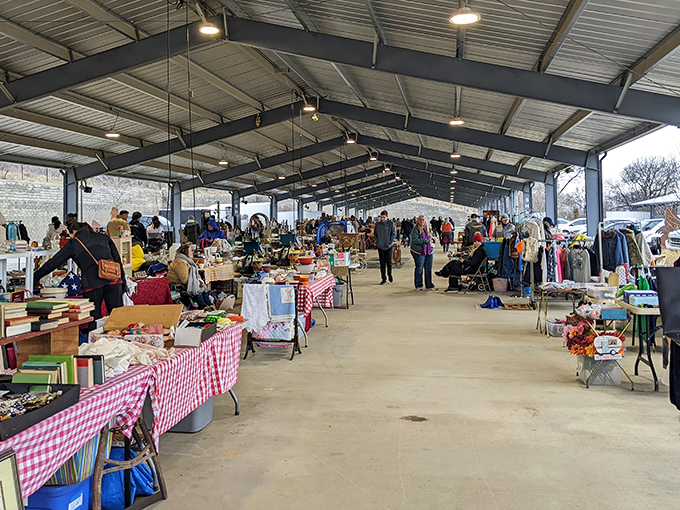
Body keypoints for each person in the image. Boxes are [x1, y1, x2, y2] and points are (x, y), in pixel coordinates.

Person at [33, 222, 126, 320]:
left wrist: (35, 277)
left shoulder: (74, 243)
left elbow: (53, 263)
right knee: (117, 317)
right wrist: (123, 283)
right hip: (114, 280)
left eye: (70, 234)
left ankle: (93, 335)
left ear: (74, 232)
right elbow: (117, 260)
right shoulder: (103, 237)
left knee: (93, 318)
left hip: (92, 284)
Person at [167, 243, 213, 309]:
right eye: (191, 250)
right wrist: (197, 283)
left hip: (187, 285)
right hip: (178, 286)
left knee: (203, 291)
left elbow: (197, 275)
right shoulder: (180, 262)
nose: (192, 252)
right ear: (185, 252)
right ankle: (204, 308)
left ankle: (210, 307)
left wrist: (199, 281)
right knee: (197, 292)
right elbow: (185, 280)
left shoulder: (188, 261)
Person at [410, 215, 437, 291]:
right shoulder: (415, 230)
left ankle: (429, 285)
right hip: (419, 252)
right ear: (418, 221)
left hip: (429, 251)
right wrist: (427, 241)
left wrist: (433, 240)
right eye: (420, 220)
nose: (422, 221)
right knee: (419, 268)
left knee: (428, 268)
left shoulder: (428, 229)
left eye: (423, 220)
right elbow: (415, 240)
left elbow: (432, 237)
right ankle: (418, 285)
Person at [374, 210, 397, 285]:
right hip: (380, 246)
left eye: (384, 217)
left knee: (389, 262)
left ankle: (389, 274)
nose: (382, 219)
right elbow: (375, 234)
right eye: (381, 217)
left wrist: (390, 242)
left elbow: (394, 233)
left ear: (387, 217)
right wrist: (378, 242)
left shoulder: (391, 224)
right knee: (382, 263)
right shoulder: (378, 225)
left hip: (389, 246)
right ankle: (383, 278)